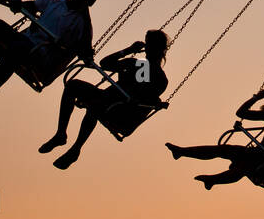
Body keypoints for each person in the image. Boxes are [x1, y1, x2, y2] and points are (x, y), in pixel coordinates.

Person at [39, 29, 170, 169]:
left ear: (158, 49)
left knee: (96, 105)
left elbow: (144, 95)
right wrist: (127, 50)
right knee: (73, 85)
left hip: (121, 112)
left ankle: (75, 149)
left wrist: (152, 101)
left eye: (149, 44)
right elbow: (105, 63)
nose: (146, 47)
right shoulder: (137, 64)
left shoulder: (157, 76)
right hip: (107, 99)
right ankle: (60, 134)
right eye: (147, 43)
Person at [166, 89, 264, 190]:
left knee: (243, 166)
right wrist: (256, 98)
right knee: (225, 150)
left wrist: (256, 98)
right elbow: (241, 113)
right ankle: (182, 152)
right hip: (259, 154)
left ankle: (212, 179)